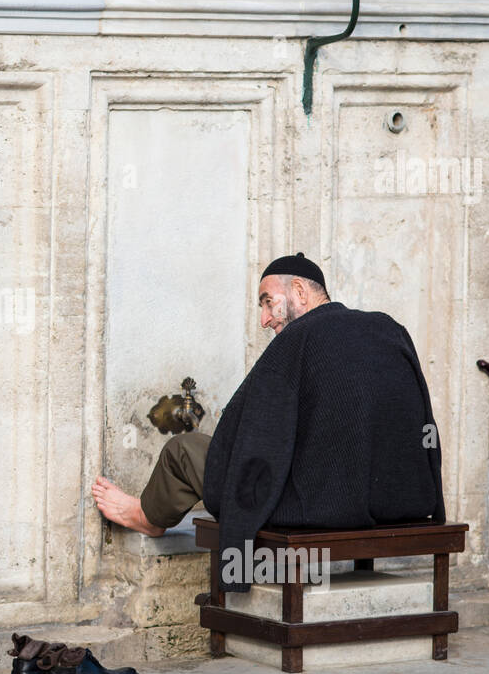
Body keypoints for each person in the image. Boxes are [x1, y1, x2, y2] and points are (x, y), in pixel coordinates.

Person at [92, 253, 444, 590]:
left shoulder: (296, 339)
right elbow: (423, 421)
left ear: (300, 293)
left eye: (266, 301)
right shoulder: (389, 330)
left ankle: (146, 516)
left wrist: (241, 516)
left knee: (184, 448)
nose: (264, 319)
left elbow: (252, 435)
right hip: (399, 503)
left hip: (313, 507)